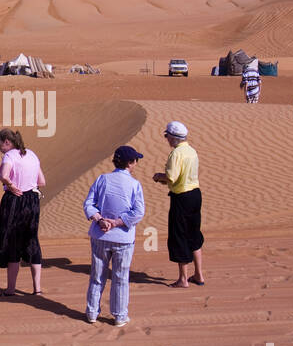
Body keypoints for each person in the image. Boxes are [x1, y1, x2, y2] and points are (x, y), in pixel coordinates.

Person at [83, 145, 146, 326]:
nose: (136, 164)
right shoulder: (134, 184)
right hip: (122, 239)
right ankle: (119, 315)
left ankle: (92, 312)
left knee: (97, 275)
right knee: (120, 277)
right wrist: (117, 222)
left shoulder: (102, 179)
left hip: (100, 236)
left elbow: (89, 204)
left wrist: (101, 220)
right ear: (130, 163)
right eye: (135, 161)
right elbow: (138, 212)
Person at [152, 120, 206, 287]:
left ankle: (183, 279)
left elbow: (171, 177)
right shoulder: (191, 151)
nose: (166, 139)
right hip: (195, 195)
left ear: (174, 138)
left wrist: (158, 176)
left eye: (167, 136)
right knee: (194, 234)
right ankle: (199, 275)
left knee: (179, 235)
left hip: (182, 198)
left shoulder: (176, 154)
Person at [0, 128, 45, 296]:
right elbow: (42, 181)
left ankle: (11, 289)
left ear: (7, 142)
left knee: (13, 241)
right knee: (32, 241)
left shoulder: (10, 156)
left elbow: (3, 175)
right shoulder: (32, 154)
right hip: (32, 201)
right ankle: (37, 288)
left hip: (15, 200)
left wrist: (10, 185)